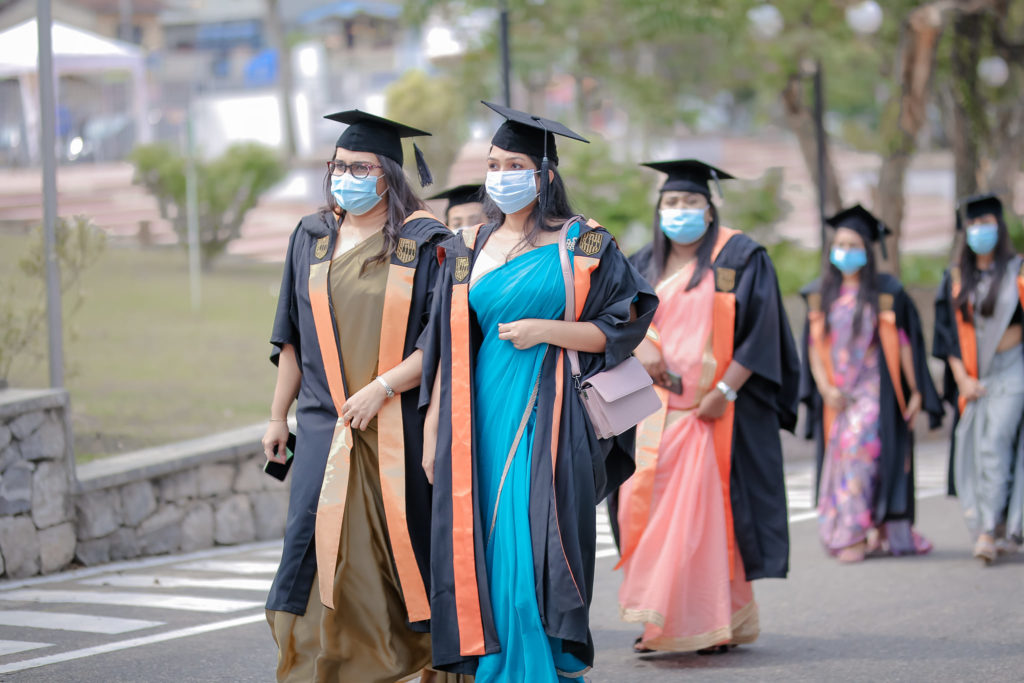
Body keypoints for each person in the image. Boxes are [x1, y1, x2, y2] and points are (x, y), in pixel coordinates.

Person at [418, 101, 658, 681]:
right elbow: (444, 347)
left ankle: (543, 665)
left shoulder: (584, 243)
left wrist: (544, 331)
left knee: (537, 545)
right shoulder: (465, 246)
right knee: (487, 543)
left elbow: (625, 324)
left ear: (546, 174)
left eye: (514, 164)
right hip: (477, 416)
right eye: (494, 165)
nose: (501, 177)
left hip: (552, 415)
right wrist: (432, 430)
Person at [260, 110, 452, 682]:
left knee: (400, 552)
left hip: (399, 425)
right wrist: (277, 417)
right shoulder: (312, 235)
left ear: (388, 173)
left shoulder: (427, 243)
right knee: (312, 544)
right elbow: (290, 337)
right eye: (338, 165)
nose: (346, 175)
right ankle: (326, 669)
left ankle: (401, 661)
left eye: (359, 166)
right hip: (323, 425)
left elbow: (440, 342)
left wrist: (382, 387)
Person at [614, 159, 800, 654]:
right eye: (672, 202)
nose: (681, 211)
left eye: (691, 201)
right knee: (643, 511)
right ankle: (661, 618)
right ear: (659, 209)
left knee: (702, 520)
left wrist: (726, 392)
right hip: (649, 415)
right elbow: (616, 326)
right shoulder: (640, 264)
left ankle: (707, 622)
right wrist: (641, 348)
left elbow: (764, 334)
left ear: (710, 207)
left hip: (709, 414)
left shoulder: (740, 256)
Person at [800, 205, 942, 563]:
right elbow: (814, 349)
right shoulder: (821, 294)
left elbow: (905, 344)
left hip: (873, 393)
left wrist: (915, 391)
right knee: (841, 461)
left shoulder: (887, 293)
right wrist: (825, 389)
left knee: (859, 454)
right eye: (840, 244)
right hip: (837, 394)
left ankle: (854, 535)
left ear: (867, 249)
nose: (846, 251)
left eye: (854, 244)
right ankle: (859, 529)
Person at [933, 193, 1024, 564]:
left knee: (997, 444)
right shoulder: (955, 279)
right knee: (976, 447)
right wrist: (962, 379)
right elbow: (946, 335)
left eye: (985, 223)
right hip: (974, 374)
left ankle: (988, 529)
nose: (978, 230)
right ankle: (994, 524)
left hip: (1013, 368)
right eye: (972, 224)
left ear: (999, 227)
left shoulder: (1018, 273)